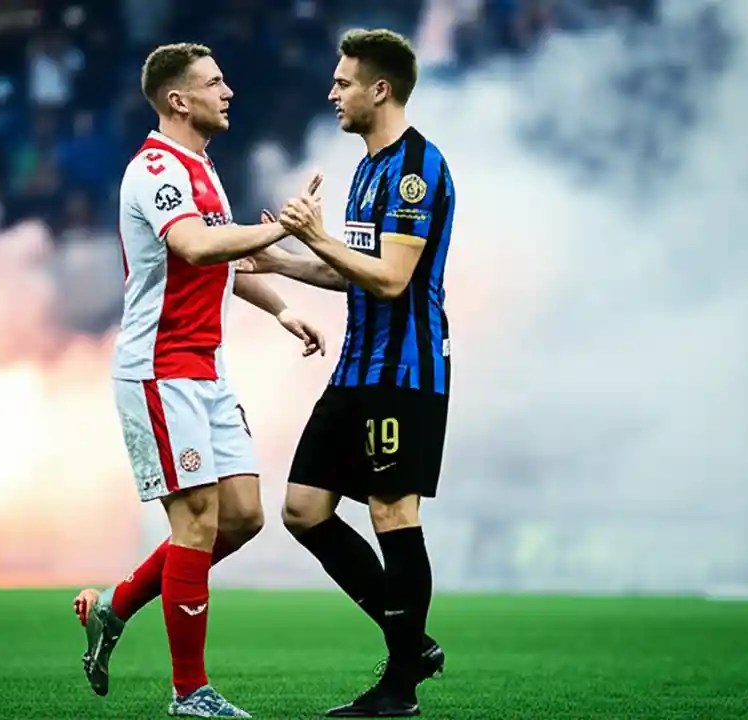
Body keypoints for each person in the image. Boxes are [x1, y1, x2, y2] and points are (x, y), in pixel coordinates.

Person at [72, 42, 327, 719]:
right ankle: (191, 694)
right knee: (195, 523)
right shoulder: (157, 169)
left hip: (207, 371)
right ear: (177, 100)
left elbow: (226, 261)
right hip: (160, 372)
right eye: (215, 83)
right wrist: (269, 236)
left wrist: (285, 306)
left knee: (241, 518)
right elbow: (193, 246)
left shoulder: (203, 170)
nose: (229, 92)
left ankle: (113, 607)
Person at [241, 28, 456, 717]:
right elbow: (352, 276)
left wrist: (316, 237)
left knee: (394, 510)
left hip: (405, 374)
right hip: (357, 369)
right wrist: (282, 262)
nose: (332, 92)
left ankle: (399, 687)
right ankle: (411, 639)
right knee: (303, 510)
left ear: (379, 89)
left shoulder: (416, 169)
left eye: (343, 82)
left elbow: (392, 281)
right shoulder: (366, 167)